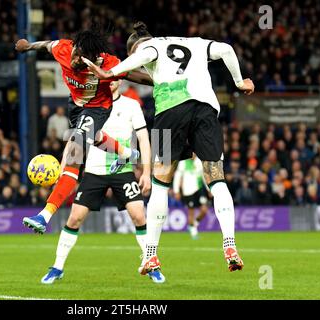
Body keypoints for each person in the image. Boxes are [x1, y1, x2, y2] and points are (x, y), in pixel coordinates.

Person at [84, 22, 254, 277]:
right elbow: (227, 50)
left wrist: (111, 73)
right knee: (217, 180)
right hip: (206, 111)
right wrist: (240, 82)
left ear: (133, 50)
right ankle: (229, 244)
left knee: (161, 184)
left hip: (170, 114)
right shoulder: (195, 42)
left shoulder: (149, 47)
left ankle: (151, 254)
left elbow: (145, 55)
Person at [15, 28, 153, 235]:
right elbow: (45, 45)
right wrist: (28, 47)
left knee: (72, 153)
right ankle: (127, 154)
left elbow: (135, 75)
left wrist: (160, 80)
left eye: (81, 57)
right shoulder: (64, 48)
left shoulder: (108, 63)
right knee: (93, 137)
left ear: (93, 58)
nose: (75, 59)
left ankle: (44, 215)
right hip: (76, 106)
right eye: (75, 53)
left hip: (98, 108)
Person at [41, 80, 164, 284]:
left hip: (122, 169)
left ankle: (151, 263)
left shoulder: (131, 105)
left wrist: (146, 172)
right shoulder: (90, 106)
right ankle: (57, 267)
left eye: (115, 78)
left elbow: (143, 138)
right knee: (74, 218)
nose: (112, 82)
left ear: (121, 80)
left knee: (139, 215)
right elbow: (76, 138)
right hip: (94, 170)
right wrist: (64, 166)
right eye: (108, 78)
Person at [173, 155, 210, 240]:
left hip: (199, 189)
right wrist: (176, 191)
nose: (193, 154)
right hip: (188, 191)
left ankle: (195, 223)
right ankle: (193, 232)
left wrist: (208, 188)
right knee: (191, 212)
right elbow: (178, 176)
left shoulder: (199, 161)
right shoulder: (183, 162)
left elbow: (203, 176)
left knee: (204, 210)